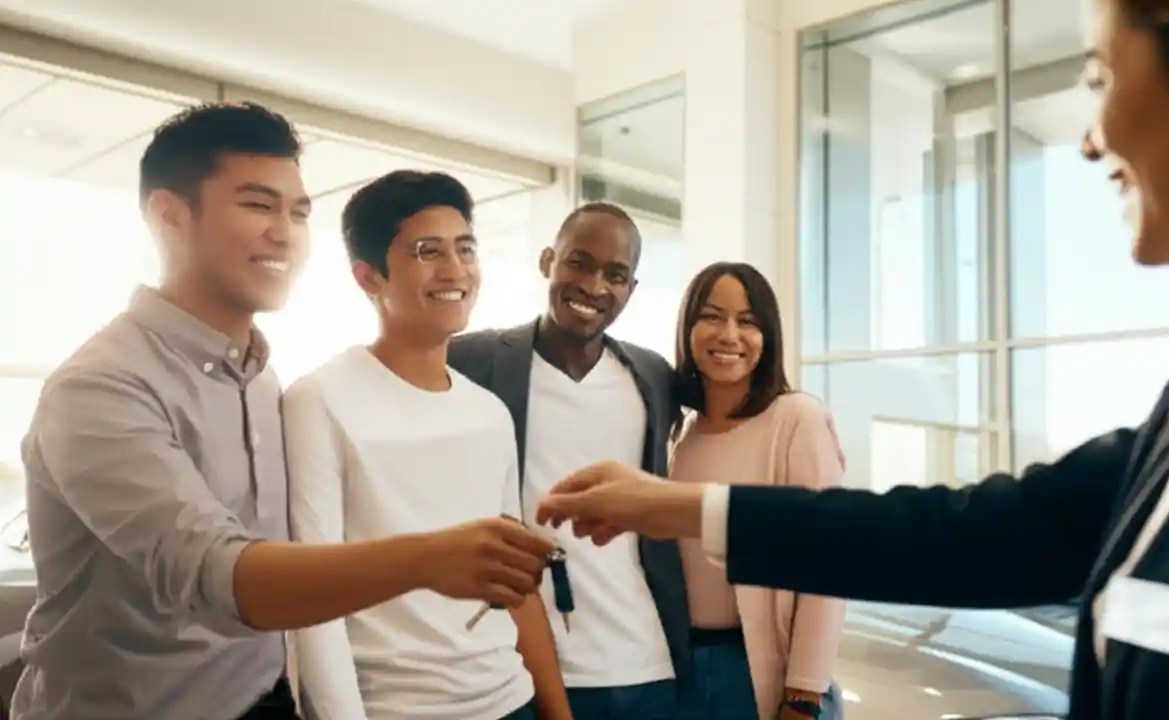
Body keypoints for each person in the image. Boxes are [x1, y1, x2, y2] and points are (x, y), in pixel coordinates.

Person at [536, 2, 1169, 718]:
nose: (1089, 140)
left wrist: (799, 689)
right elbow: (965, 532)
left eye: (1099, 79)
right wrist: (678, 507)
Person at [14, 104, 551, 720]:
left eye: (298, 212)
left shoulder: (260, 377)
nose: (285, 232)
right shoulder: (101, 388)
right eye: (257, 206)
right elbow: (218, 575)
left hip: (269, 702)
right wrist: (431, 558)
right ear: (169, 215)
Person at [283, 170, 570, 720]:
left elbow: (514, 584)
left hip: (511, 701)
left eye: (465, 249)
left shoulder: (488, 412)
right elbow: (312, 605)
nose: (456, 270)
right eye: (427, 251)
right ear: (368, 276)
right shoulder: (318, 400)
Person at [448, 202, 689, 719]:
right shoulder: (473, 360)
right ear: (546, 262)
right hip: (527, 666)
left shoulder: (651, 376)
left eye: (616, 275)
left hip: (646, 661)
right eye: (578, 263)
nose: (595, 286)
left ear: (632, 289)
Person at [667, 262, 844, 720]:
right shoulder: (680, 434)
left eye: (748, 321)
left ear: (769, 337)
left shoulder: (795, 419)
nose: (729, 334)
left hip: (761, 670)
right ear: (688, 327)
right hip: (682, 666)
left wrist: (803, 695)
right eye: (712, 316)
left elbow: (828, 566)